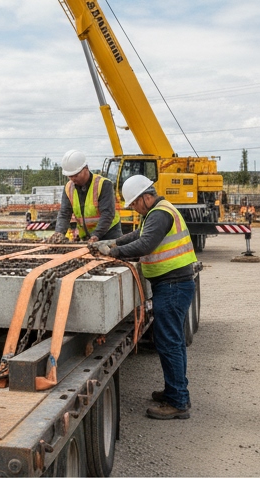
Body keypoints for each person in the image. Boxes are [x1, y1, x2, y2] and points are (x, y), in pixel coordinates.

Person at [96, 175, 196, 420]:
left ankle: (177, 402)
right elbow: (139, 235)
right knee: (173, 342)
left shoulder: (160, 214)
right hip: (173, 285)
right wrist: (114, 242)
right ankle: (177, 392)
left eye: (133, 204)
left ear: (145, 197)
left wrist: (115, 253)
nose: (133, 208)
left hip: (172, 286)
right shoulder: (157, 212)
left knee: (169, 342)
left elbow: (145, 244)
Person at [52, 150, 121, 242]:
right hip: (87, 236)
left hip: (109, 234)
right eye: (70, 176)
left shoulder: (103, 184)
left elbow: (108, 214)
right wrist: (59, 233)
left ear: (86, 169)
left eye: (76, 175)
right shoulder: (68, 188)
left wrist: (96, 235)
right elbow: (64, 214)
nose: (73, 179)